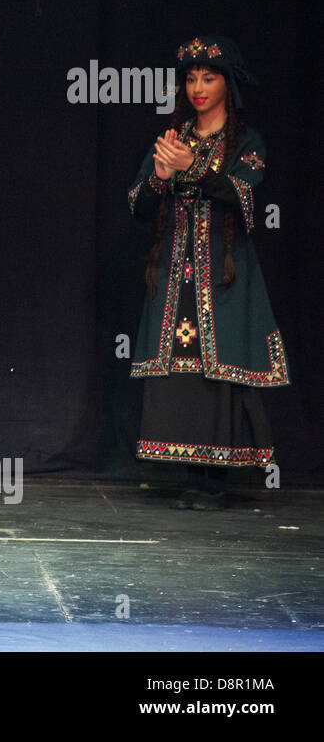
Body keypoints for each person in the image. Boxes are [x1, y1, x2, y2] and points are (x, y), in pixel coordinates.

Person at [127, 36, 288, 510]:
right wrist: (160, 175)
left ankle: (216, 478)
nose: (197, 87)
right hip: (176, 270)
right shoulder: (174, 137)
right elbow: (136, 202)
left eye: (209, 77)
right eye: (191, 78)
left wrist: (193, 168)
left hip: (223, 274)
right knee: (181, 366)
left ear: (227, 84)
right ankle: (189, 471)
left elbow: (243, 193)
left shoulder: (246, 142)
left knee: (220, 368)